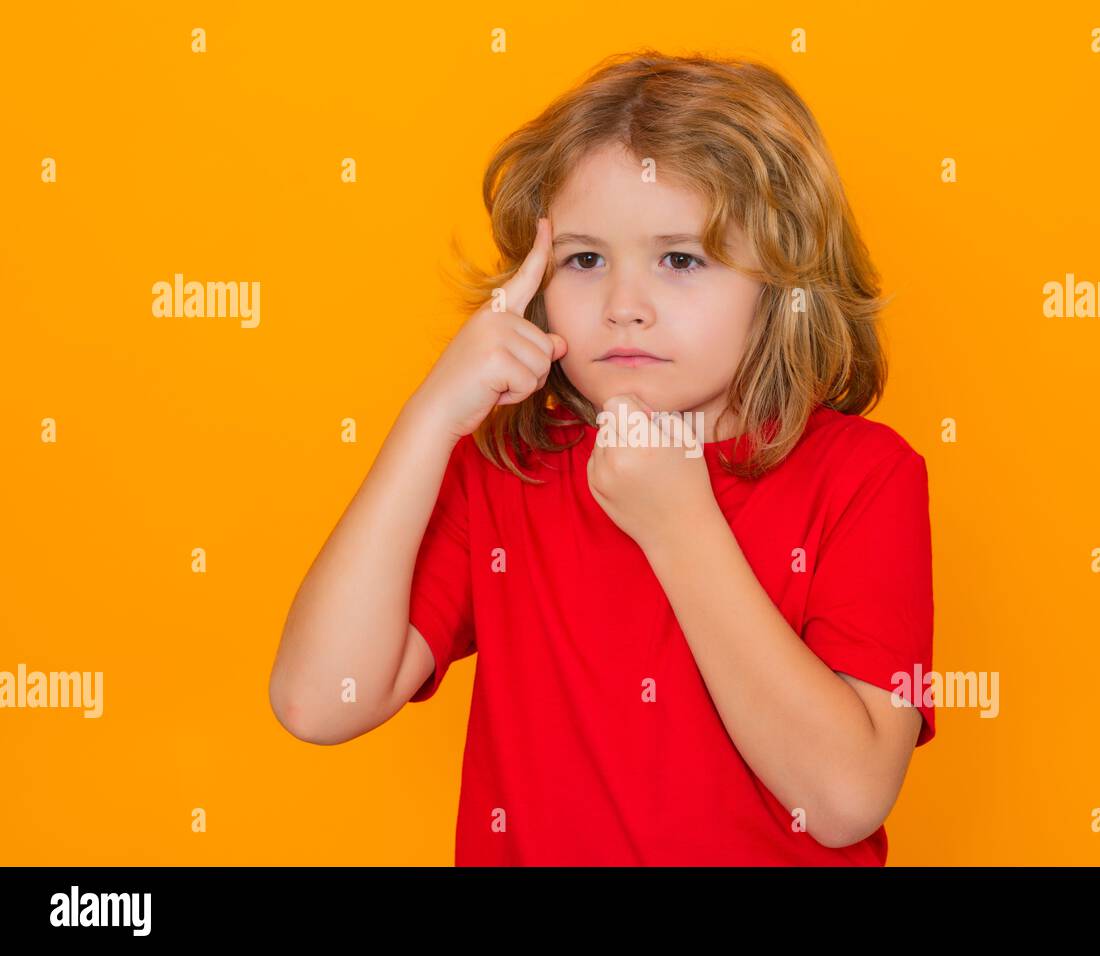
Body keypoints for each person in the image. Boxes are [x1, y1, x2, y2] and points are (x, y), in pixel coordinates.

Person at [269, 50, 935, 866]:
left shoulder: (868, 476)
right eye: (585, 260)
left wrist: (679, 526)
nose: (625, 308)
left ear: (786, 281)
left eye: (681, 259)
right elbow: (316, 701)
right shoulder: (508, 471)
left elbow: (845, 799)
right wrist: (431, 416)